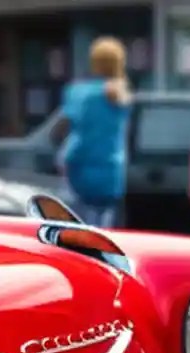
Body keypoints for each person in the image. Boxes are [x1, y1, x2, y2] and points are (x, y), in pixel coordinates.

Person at [51, 37, 131, 227]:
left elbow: (57, 131)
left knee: (77, 230)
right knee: (104, 232)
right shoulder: (122, 94)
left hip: (78, 169)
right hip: (111, 171)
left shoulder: (77, 91)